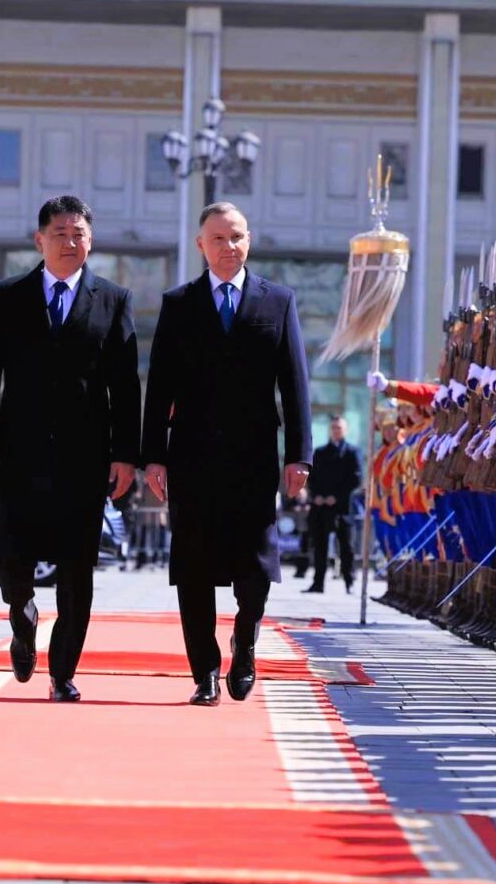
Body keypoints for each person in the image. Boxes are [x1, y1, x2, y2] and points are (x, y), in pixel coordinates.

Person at [0, 195, 140, 702]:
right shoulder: (9, 295)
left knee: (77, 566)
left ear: (91, 240)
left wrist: (126, 454)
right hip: (19, 453)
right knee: (8, 555)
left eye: (78, 233)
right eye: (59, 232)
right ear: (39, 240)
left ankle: (63, 671)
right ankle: (22, 618)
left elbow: (126, 387)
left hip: (85, 460)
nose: (69, 241)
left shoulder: (113, 300)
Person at [142, 201, 312, 706]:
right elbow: (160, 387)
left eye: (237, 237)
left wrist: (299, 454)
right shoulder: (179, 304)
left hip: (254, 457)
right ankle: (205, 673)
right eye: (218, 238)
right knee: (193, 568)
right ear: (201, 245)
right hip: (191, 457)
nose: (229, 247)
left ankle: (246, 640)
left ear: (249, 240)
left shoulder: (277, 301)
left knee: (255, 566)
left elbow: (295, 383)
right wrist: (153, 455)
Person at [304, 415, 362, 593]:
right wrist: (317, 496)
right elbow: (311, 477)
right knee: (319, 546)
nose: (336, 431)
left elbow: (356, 478)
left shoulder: (352, 452)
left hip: (342, 507)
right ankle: (318, 582)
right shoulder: (320, 452)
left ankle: (349, 581)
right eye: (334, 428)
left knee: (346, 547)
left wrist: (336, 496)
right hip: (321, 506)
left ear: (345, 431)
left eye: (340, 428)